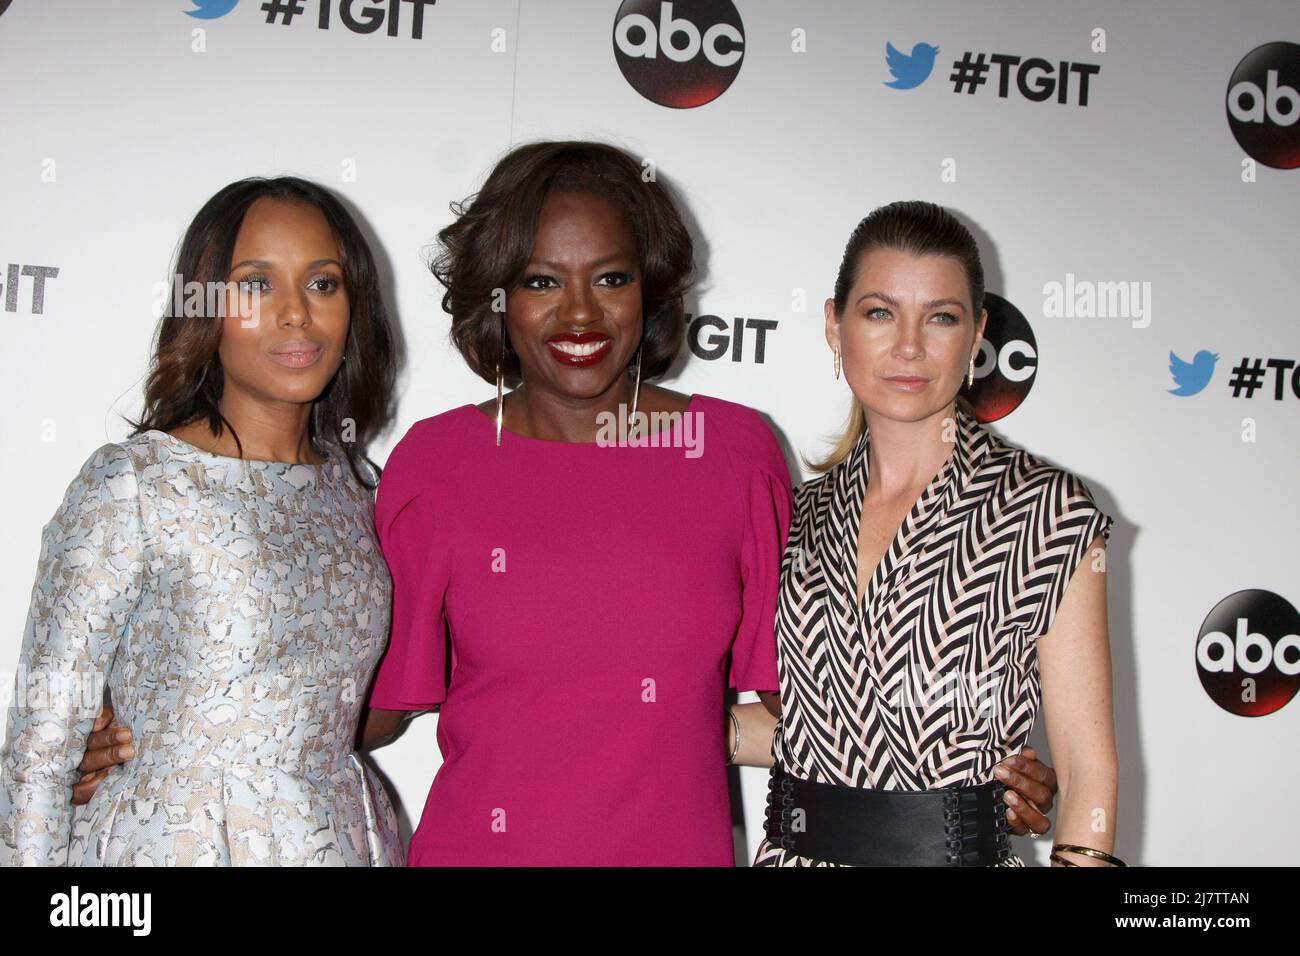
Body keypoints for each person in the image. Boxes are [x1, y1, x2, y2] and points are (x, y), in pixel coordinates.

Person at [68, 144, 1062, 865]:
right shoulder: (438, 463)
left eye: (611, 278)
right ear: (498, 296)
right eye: (541, 280)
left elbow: (786, 716)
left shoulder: (730, 453)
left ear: (651, 290)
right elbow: (366, 710)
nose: (580, 315)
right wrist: (164, 723)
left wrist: (961, 782)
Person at [0, 176, 402, 866]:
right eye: (256, 285)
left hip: (343, 839)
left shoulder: (359, 491)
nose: (296, 315)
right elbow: (40, 754)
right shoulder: (135, 483)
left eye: (323, 284)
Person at [754, 200, 1121, 867]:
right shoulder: (793, 514)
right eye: (879, 312)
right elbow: (810, 723)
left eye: (941, 317)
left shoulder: (1047, 511)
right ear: (835, 326)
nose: (909, 347)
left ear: (976, 333)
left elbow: (1087, 765)